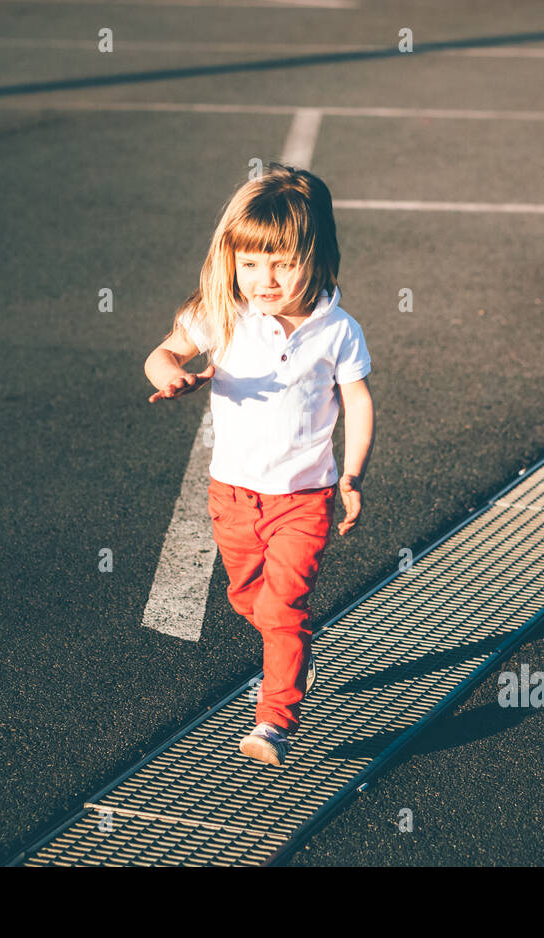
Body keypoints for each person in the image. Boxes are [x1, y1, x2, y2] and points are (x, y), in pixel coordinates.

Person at [142, 162, 374, 767]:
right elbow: (164, 350)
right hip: (233, 495)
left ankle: (274, 720)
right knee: (247, 600)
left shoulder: (337, 331)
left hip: (304, 498)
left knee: (279, 608)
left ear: (316, 255)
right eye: (249, 264)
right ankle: (294, 645)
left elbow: (358, 401)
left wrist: (352, 474)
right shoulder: (224, 313)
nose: (263, 280)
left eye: (281, 264)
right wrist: (171, 375)